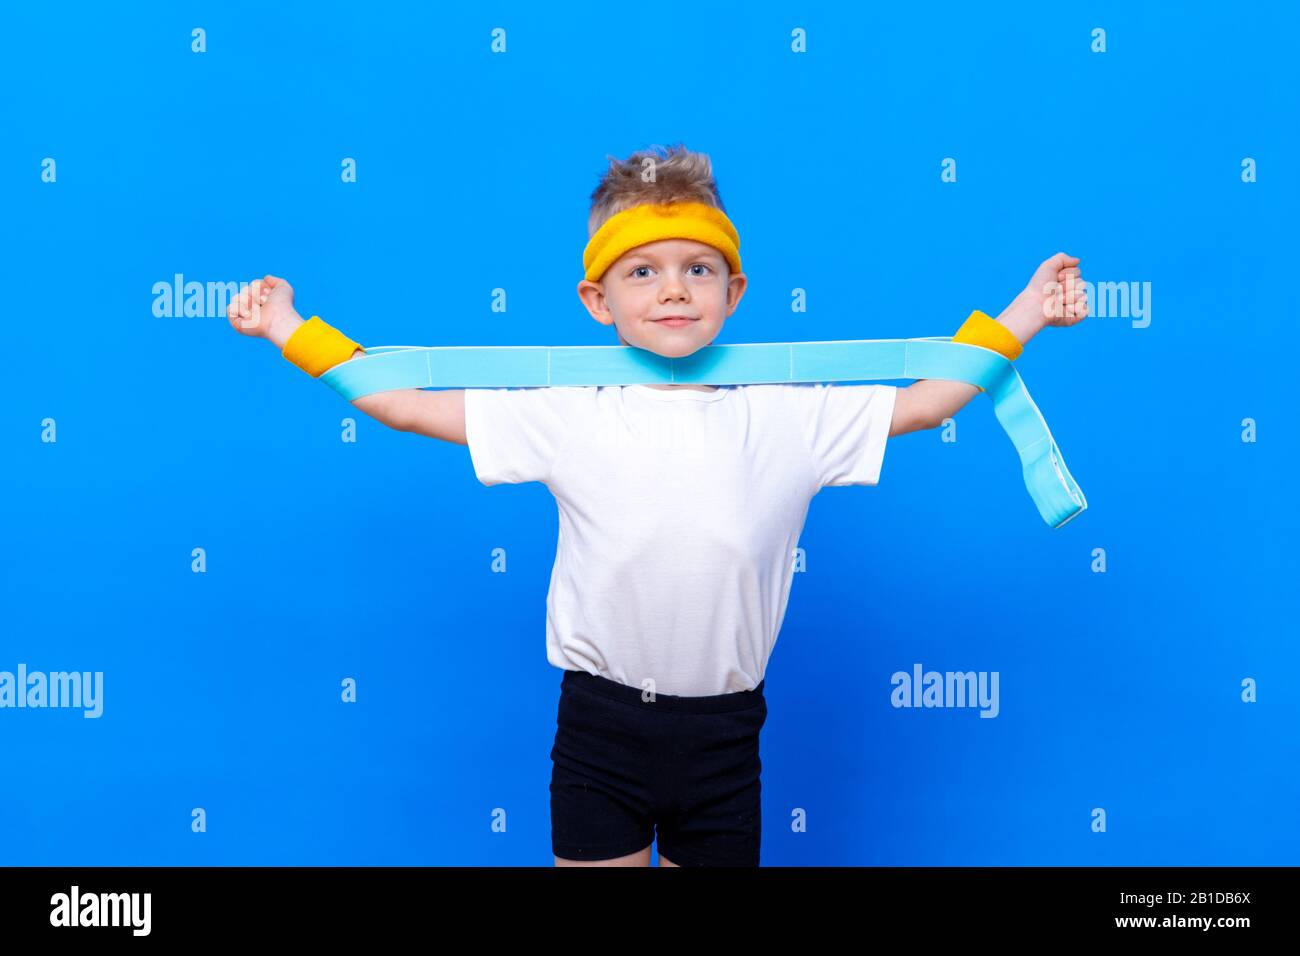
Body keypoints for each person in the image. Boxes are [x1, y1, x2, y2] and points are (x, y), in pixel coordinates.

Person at [227, 143, 1089, 867]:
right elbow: (404, 402)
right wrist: (290, 328)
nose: (673, 290)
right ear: (598, 301)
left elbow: (932, 398)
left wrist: (1027, 313)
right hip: (600, 726)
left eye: (696, 269)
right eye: (643, 272)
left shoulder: (793, 412)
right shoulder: (564, 411)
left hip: (725, 736)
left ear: (734, 291)